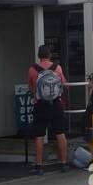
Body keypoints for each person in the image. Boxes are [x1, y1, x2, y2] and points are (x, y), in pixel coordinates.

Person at [28, 45, 70, 175]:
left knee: (39, 136)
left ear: (38, 56)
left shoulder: (32, 69)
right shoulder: (57, 68)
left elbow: (31, 88)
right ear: (50, 55)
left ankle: (39, 166)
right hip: (56, 105)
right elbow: (64, 85)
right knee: (60, 133)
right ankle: (63, 163)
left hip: (40, 105)